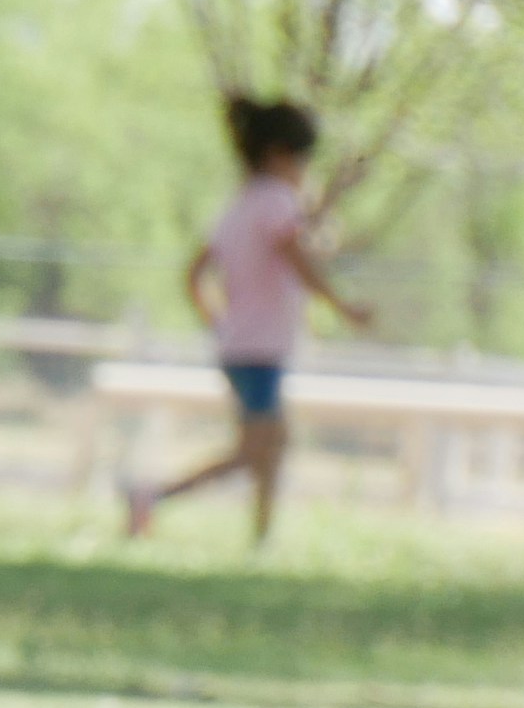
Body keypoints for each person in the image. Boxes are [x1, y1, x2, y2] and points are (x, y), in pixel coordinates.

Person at [125, 94, 371, 542]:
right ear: (278, 154)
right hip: (259, 349)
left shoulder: (240, 203)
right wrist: (343, 307)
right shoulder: (276, 203)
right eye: (302, 158)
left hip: (242, 344)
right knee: (259, 448)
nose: (305, 168)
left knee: (269, 448)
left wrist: (218, 321)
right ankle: (153, 497)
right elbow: (298, 261)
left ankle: (260, 537)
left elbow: (195, 273)